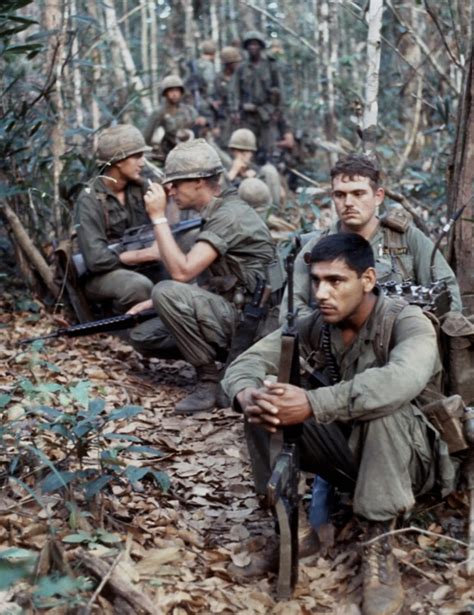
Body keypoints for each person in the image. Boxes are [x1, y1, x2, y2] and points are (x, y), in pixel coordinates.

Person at [222, 233, 457, 615]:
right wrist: (248, 394)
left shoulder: (408, 321)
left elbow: (401, 380)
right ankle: (292, 532)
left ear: (367, 280)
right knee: (266, 408)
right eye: (316, 281)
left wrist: (313, 403)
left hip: (415, 466)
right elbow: (246, 363)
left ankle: (380, 546)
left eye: (336, 281)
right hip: (354, 456)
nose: (322, 293)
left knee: (385, 407)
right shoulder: (317, 324)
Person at [128, 139, 276, 414]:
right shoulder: (217, 211)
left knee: (165, 291)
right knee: (143, 336)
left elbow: (181, 271)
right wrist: (153, 304)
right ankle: (225, 361)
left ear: (199, 182)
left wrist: (158, 217)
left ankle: (209, 381)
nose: (170, 190)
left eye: (176, 183)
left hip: (255, 323)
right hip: (237, 308)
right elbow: (219, 277)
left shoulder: (230, 215)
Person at [280, 154, 462, 323]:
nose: (349, 203)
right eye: (340, 195)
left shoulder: (407, 239)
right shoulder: (317, 246)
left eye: (358, 194)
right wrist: (327, 330)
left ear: (378, 196)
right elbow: (291, 309)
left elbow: (448, 295)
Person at [72, 124, 158, 313]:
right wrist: (143, 255)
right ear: (118, 160)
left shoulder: (141, 188)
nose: (142, 163)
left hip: (139, 265)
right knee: (137, 287)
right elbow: (95, 260)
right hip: (101, 275)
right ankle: (121, 328)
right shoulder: (89, 198)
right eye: (137, 156)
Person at [229, 30, 285, 163]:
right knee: (247, 147)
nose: (253, 47)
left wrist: (278, 111)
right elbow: (234, 90)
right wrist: (235, 110)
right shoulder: (242, 68)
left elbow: (280, 89)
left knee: (270, 149)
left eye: (256, 44)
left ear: (261, 46)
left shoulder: (271, 66)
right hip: (248, 115)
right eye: (250, 45)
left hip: (267, 113)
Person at [143, 75, 205, 163]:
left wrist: (202, 122)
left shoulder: (188, 110)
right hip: (169, 153)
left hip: (191, 151)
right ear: (165, 93)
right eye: (171, 91)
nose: (175, 94)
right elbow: (147, 136)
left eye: (177, 90)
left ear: (181, 92)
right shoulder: (159, 112)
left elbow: (199, 127)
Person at [226, 128, 282, 209]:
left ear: (252, 153)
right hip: (234, 212)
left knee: (269, 170)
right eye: (240, 151)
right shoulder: (226, 168)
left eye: (248, 151)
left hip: (260, 212)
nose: (244, 155)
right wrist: (233, 173)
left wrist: (254, 179)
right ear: (232, 151)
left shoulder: (258, 171)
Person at [212, 46, 242, 147]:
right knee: (225, 143)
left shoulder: (241, 76)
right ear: (227, 64)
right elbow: (215, 97)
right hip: (225, 116)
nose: (237, 65)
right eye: (234, 63)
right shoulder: (219, 78)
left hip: (241, 115)